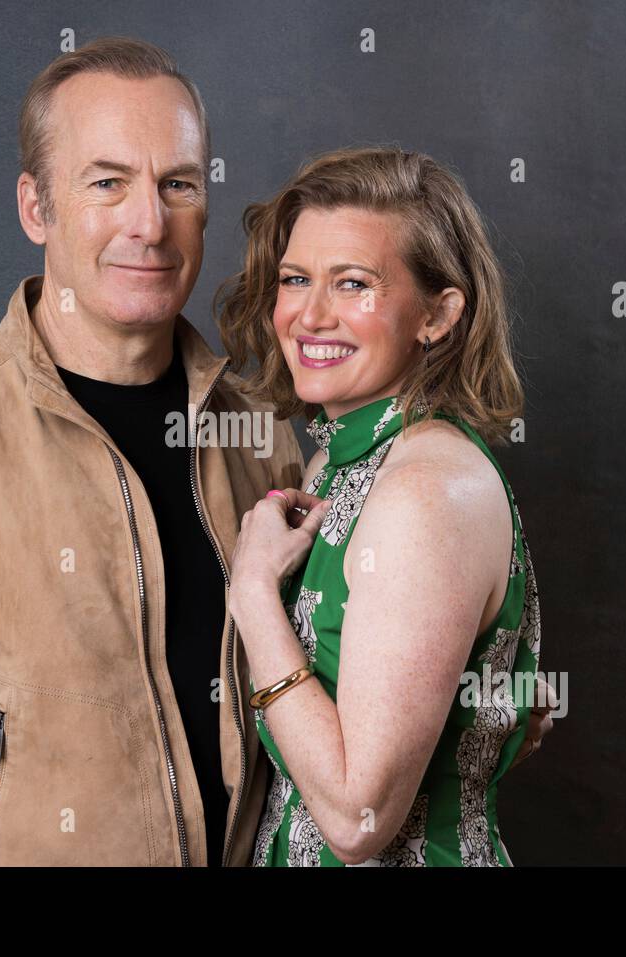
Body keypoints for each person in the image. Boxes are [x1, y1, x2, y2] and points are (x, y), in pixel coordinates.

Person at [0, 37, 552, 867]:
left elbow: (350, 685)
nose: (148, 224)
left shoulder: (261, 438)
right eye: (107, 182)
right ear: (35, 207)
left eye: (177, 185)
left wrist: (480, 690)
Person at [219, 146, 546, 866]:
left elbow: (358, 817)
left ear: (437, 314)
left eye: (354, 284)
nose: (309, 314)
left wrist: (252, 596)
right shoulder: (344, 454)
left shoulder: (425, 491)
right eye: (296, 279)